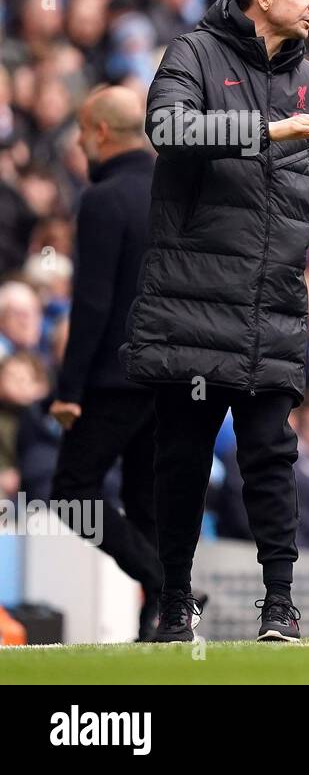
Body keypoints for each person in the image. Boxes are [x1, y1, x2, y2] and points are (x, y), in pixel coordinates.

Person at [120, 0, 309, 643]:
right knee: (183, 459)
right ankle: (173, 602)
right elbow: (168, 129)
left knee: (272, 457)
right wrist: (271, 132)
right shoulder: (193, 53)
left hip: (272, 300)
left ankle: (279, 605)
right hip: (193, 297)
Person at [48, 87, 165, 641]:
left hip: (115, 377)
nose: (77, 142)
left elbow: (92, 303)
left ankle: (167, 586)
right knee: (144, 500)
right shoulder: (175, 188)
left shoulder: (102, 199)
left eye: (80, 130)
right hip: (172, 374)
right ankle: (161, 624)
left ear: (99, 131)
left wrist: (69, 389)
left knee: (72, 492)